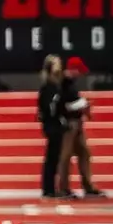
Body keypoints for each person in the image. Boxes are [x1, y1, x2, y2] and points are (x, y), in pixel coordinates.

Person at [57, 57, 103, 198]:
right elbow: (63, 105)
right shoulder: (62, 83)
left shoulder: (71, 84)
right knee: (66, 156)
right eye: (79, 71)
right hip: (68, 124)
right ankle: (63, 188)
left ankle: (88, 186)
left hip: (77, 123)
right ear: (73, 69)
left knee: (84, 153)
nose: (81, 74)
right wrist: (82, 104)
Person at [37, 55, 64, 198]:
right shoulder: (48, 87)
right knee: (52, 158)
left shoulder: (56, 85)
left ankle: (50, 188)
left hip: (55, 124)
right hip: (52, 125)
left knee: (54, 157)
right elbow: (47, 108)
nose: (60, 66)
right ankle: (49, 189)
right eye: (57, 64)